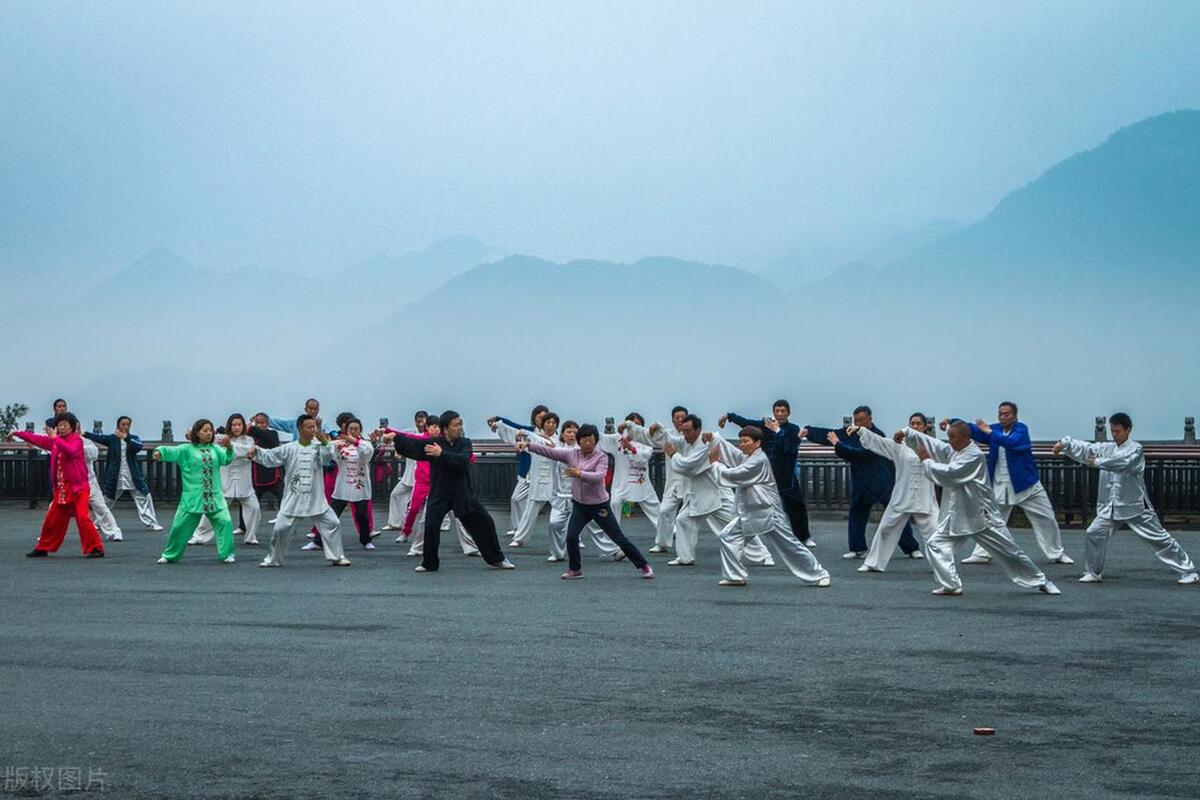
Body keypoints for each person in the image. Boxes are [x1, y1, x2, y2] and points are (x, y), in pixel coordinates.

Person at [901, 421, 1060, 596]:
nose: (950, 441)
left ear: (965, 438)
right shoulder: (955, 449)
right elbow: (936, 445)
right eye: (949, 438)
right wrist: (907, 433)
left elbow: (949, 474)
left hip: (983, 516)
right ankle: (951, 585)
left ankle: (1042, 580)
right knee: (935, 543)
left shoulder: (974, 456)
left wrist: (926, 461)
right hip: (959, 515)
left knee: (1010, 551)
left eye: (953, 438)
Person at [1056, 413, 1197, 585]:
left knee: (1159, 538)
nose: (1114, 434)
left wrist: (1098, 463)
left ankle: (1188, 570)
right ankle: (1093, 572)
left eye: (1118, 431)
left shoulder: (1136, 449)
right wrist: (1065, 443)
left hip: (1135, 506)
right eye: (1112, 431)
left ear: (1128, 430)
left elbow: (1122, 463)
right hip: (1112, 506)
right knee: (1093, 533)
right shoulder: (1108, 448)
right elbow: (1088, 448)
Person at [946, 403, 1074, 566]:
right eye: (1000, 414)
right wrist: (952, 420)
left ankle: (1056, 553)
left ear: (1014, 416)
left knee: (1045, 517)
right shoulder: (994, 430)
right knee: (991, 520)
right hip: (1000, 484)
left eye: (1006, 414)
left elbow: (1013, 443)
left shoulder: (1021, 429)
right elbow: (973, 430)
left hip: (1026, 484)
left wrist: (989, 432)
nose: (1003, 417)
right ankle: (982, 553)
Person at [522, 424, 654, 580]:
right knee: (571, 536)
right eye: (584, 440)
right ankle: (575, 569)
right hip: (579, 505)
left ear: (596, 441)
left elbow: (599, 477)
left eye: (591, 440)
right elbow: (549, 452)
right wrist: (528, 445)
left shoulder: (601, 457)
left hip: (599, 505)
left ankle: (644, 566)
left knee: (618, 537)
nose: (588, 443)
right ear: (579, 441)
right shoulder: (572, 454)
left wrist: (579, 473)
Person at [389, 410, 512, 573]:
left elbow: (462, 461)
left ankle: (497, 559)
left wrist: (441, 454)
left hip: (462, 493)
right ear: (445, 428)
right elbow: (414, 445)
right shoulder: (434, 443)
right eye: (456, 425)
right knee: (431, 525)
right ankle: (429, 563)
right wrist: (394, 437)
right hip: (440, 492)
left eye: (460, 424)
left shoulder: (465, 443)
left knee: (485, 522)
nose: (459, 427)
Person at [708, 426, 829, 587]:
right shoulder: (749, 457)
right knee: (727, 536)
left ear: (757, 443)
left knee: (790, 545)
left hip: (768, 511)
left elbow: (735, 475)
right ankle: (735, 576)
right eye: (741, 441)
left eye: (746, 441)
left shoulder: (759, 460)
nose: (742, 445)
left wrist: (715, 463)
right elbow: (733, 453)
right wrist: (714, 439)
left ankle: (819, 574)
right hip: (751, 512)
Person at [805, 406, 920, 560]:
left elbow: (859, 454)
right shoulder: (851, 432)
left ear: (870, 419)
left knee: (895, 515)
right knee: (857, 514)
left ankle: (912, 548)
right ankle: (858, 549)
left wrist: (838, 445)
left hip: (881, 482)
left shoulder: (877, 436)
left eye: (861, 420)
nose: (858, 423)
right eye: (856, 420)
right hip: (860, 483)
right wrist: (809, 431)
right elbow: (831, 434)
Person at [666, 414, 773, 567]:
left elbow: (689, 467)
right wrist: (642, 429)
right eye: (683, 431)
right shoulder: (687, 442)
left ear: (698, 430)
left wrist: (673, 454)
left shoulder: (707, 443)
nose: (685, 435)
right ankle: (685, 557)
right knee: (683, 521)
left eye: (688, 431)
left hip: (718, 494)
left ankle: (763, 555)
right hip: (698, 494)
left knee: (738, 525)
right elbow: (667, 438)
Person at [248, 414, 351, 567]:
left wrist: (323, 439)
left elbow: (328, 457)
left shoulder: (319, 447)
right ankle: (273, 559)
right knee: (280, 529)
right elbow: (270, 457)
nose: (313, 430)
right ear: (300, 429)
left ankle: (337, 557)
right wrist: (255, 451)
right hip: (293, 499)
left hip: (316, 499)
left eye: (314, 427)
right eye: (310, 427)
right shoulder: (290, 448)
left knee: (333, 523)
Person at [10, 413, 105, 558]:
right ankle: (43, 547)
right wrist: (17, 433)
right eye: (60, 425)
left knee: (82, 517)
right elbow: (37, 439)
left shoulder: (77, 441)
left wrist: (54, 438)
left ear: (72, 427)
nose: (62, 428)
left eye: (65, 425)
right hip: (62, 489)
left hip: (78, 488)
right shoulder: (56, 441)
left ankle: (96, 548)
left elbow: (70, 451)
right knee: (52, 519)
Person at [380, 419, 480, 558]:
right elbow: (409, 438)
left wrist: (462, 458)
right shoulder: (425, 441)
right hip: (430, 484)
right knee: (423, 515)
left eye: (438, 427)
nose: (436, 429)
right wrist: (390, 433)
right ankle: (414, 544)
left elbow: (469, 458)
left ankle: (471, 547)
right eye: (434, 427)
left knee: (462, 518)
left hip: (449, 486)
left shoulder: (453, 444)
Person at [850, 413, 936, 573]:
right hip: (902, 495)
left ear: (925, 426)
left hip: (925, 498)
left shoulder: (932, 446)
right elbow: (880, 443)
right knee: (885, 529)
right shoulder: (900, 446)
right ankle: (873, 563)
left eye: (918, 424)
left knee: (934, 532)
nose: (915, 426)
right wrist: (861, 430)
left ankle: (941, 565)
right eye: (912, 424)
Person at [723, 400, 815, 547]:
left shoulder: (793, 429)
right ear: (773, 412)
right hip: (765, 475)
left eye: (782, 411)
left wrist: (777, 430)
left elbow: (790, 447)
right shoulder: (765, 425)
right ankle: (748, 540)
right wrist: (729, 416)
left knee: (796, 506)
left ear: (788, 413)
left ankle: (804, 537)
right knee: (755, 507)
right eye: (777, 411)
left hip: (786, 476)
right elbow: (747, 423)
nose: (779, 414)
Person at [151, 419, 238, 564]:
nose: (209, 433)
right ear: (197, 433)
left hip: (214, 496)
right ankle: (170, 555)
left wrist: (229, 448)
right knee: (179, 526)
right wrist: (159, 452)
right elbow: (170, 451)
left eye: (210, 430)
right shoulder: (187, 449)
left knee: (225, 521)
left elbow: (226, 459)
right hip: (192, 497)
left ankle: (227, 553)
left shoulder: (215, 449)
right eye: (205, 430)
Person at [622, 405, 689, 554]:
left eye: (682, 417)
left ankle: (737, 538)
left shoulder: (691, 436)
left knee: (694, 516)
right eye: (676, 417)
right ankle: (662, 543)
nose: (680, 420)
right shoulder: (667, 434)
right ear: (672, 420)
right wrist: (655, 426)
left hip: (691, 480)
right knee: (664, 511)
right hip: (672, 480)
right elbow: (649, 436)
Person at [189, 413, 262, 547]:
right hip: (225, 481)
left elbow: (246, 452)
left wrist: (231, 446)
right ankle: (199, 536)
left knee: (254, 508)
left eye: (239, 424)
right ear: (229, 426)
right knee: (212, 510)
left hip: (244, 481)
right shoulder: (220, 438)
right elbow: (205, 439)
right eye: (234, 425)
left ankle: (251, 536)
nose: (236, 427)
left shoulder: (249, 440)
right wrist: (193, 434)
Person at [85, 416, 165, 531]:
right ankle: (97, 522)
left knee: (144, 497)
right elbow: (99, 438)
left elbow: (138, 446)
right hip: (116, 476)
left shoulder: (133, 438)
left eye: (127, 424)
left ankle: (152, 522)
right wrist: (84, 433)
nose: (125, 427)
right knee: (107, 501)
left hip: (133, 476)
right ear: (118, 425)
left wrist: (125, 437)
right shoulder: (112, 439)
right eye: (123, 424)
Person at [493, 413, 559, 548]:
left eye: (553, 423)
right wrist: (501, 425)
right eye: (548, 422)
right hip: (538, 480)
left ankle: (576, 538)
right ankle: (520, 537)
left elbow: (557, 448)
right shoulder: (533, 437)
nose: (550, 425)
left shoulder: (559, 440)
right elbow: (520, 435)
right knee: (529, 511)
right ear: (542, 424)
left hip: (555, 483)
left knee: (564, 511)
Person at [599, 413, 662, 531]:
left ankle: (668, 533)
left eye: (638, 425)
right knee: (614, 503)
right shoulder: (617, 439)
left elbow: (641, 460)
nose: (634, 428)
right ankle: (614, 537)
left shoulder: (647, 442)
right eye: (631, 425)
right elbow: (600, 439)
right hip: (622, 483)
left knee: (655, 508)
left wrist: (631, 448)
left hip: (640, 482)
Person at [329, 418, 377, 549]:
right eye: (351, 429)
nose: (353, 431)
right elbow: (326, 449)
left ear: (360, 430)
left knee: (362, 516)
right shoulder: (339, 444)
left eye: (356, 429)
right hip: (343, 485)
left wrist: (354, 441)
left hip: (359, 486)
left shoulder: (365, 444)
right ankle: (319, 541)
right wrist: (320, 438)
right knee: (332, 515)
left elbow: (366, 454)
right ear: (346, 430)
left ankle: (366, 540)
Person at [379, 410, 427, 539]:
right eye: (418, 421)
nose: (420, 423)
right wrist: (398, 450)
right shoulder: (411, 432)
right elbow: (400, 437)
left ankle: (443, 523)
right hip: (409, 473)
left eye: (423, 421)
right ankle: (395, 522)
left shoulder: (428, 436)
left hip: (423, 475)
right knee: (395, 494)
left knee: (432, 500)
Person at [83, 435, 122, 541]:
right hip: (68, 482)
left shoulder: (86, 442)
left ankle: (114, 531)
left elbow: (94, 454)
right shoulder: (59, 441)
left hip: (88, 480)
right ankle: (48, 535)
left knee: (100, 506)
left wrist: (76, 447)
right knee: (56, 510)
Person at [248, 413, 284, 515]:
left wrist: (253, 427)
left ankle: (283, 522)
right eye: (257, 423)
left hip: (273, 474)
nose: (259, 425)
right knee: (250, 505)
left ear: (267, 423)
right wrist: (249, 427)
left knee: (283, 499)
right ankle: (243, 526)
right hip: (257, 475)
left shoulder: (273, 433)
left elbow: (268, 438)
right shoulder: (250, 436)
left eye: (262, 423)